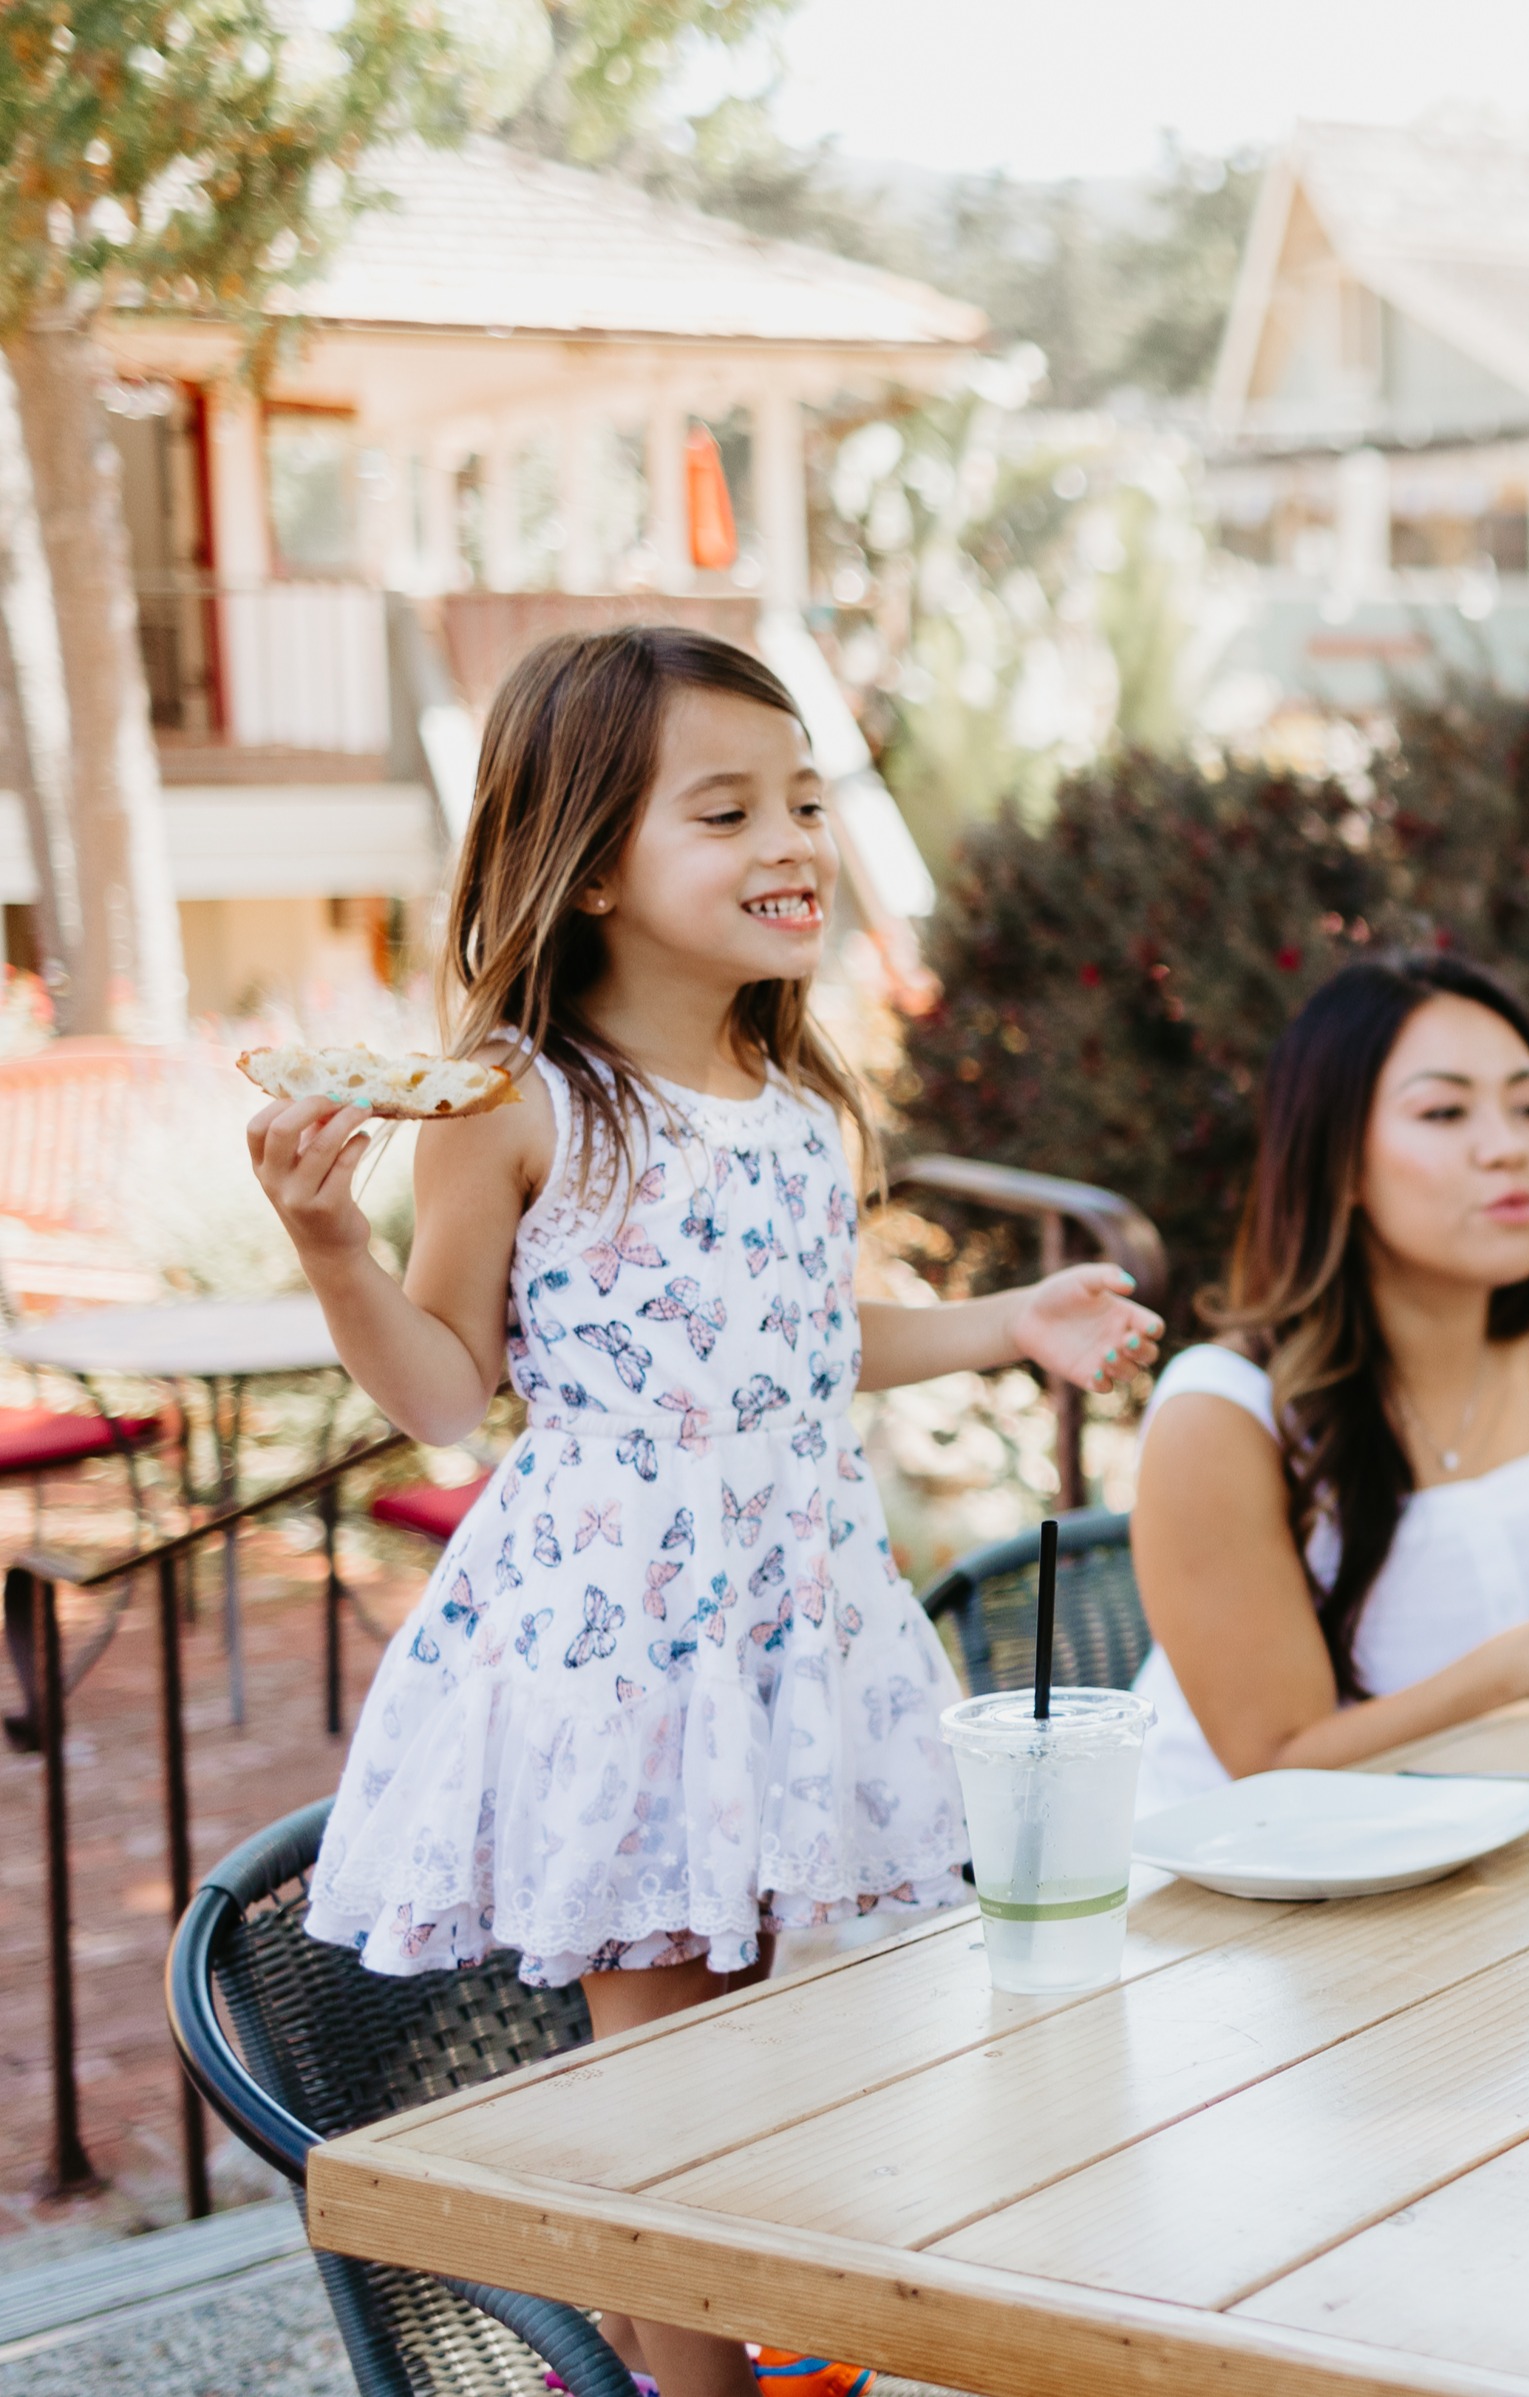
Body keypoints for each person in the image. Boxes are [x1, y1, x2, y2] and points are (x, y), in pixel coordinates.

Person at [248, 626, 1162, 2397]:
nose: (792, 842)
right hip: (622, 1647)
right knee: (663, 2079)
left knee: (747, 2052)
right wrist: (326, 1242)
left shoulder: (795, 1108)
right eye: (726, 809)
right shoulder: (522, 1098)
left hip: (781, 1622)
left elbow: (800, 1344)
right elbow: (447, 1389)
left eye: (805, 801)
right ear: (591, 865)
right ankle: (691, 2377)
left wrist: (1009, 1323)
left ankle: (699, 2350)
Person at [1126, 955, 1529, 1805]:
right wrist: (1520, 1664)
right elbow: (1272, 1768)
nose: (1510, 1147)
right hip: (1232, 1901)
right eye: (1444, 1110)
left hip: (1507, 1852)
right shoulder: (1221, 1415)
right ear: (1340, 1163)